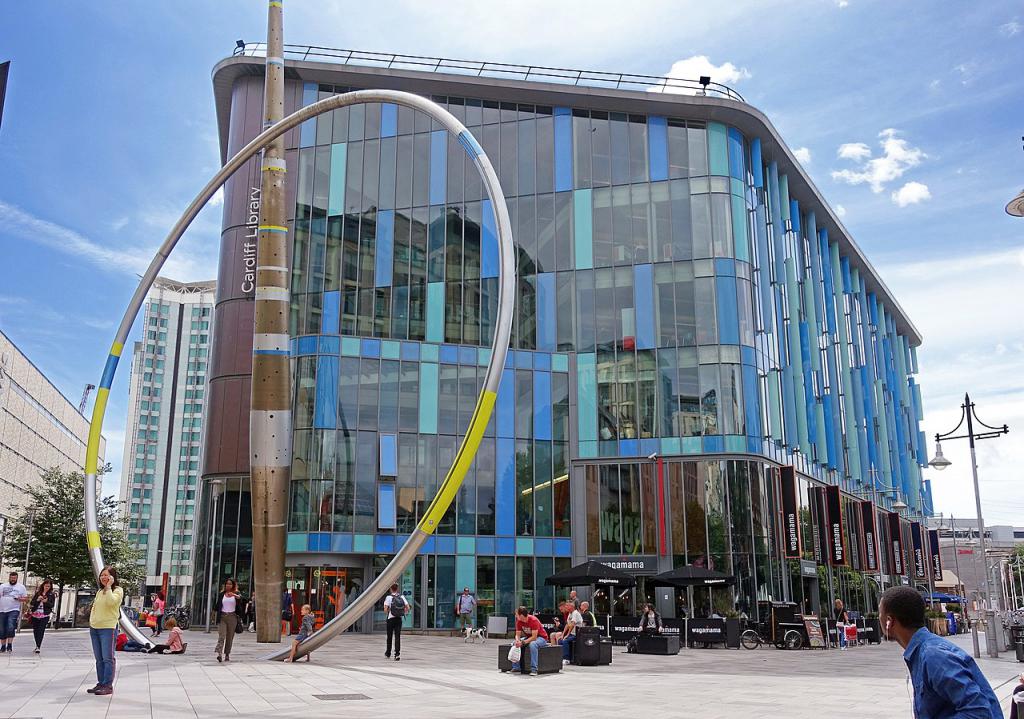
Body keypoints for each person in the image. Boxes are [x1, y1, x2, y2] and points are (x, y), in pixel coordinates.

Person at [878, 586, 1001, 718]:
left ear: (889, 621)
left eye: (880, 614)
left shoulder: (934, 656)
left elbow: (979, 713)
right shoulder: (925, 652)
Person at [87, 566, 123, 696]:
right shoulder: (99, 592)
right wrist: (91, 621)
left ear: (112, 577)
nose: (104, 577)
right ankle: (101, 683)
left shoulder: (117, 590)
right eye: (102, 575)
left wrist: (109, 587)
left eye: (107, 575)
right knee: (99, 658)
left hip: (108, 628)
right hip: (95, 628)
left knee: (108, 658)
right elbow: (95, 607)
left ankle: (108, 685)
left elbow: (111, 603)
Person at [510, 605, 548, 676]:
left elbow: (534, 637)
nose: (515, 616)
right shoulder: (519, 621)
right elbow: (517, 635)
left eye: (516, 614)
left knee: (533, 644)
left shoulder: (533, 620)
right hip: (529, 637)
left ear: (521, 615)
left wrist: (523, 642)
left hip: (541, 638)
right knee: (514, 643)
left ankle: (534, 669)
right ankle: (516, 667)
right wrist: (518, 641)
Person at [212, 578, 244, 663]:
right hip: (222, 617)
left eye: (230, 584)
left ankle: (227, 654)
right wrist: (213, 615)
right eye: (227, 584)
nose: (228, 585)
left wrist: (234, 595)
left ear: (233, 585)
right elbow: (216, 606)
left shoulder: (236, 594)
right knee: (222, 636)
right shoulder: (222, 594)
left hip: (232, 617)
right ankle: (219, 653)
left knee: (230, 637)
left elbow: (241, 599)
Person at [0, 571, 28, 654]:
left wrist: (19, 599)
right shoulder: (3, 586)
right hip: (2, 609)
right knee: (2, 629)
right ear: (9, 578)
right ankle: (3, 646)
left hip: (14, 609)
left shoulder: (21, 587)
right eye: (11, 578)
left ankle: (9, 644)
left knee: (10, 626)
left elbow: (25, 598)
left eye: (14, 578)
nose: (13, 580)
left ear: (17, 578)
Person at [28, 578, 56, 654]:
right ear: (43, 585)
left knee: (41, 630)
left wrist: (46, 602)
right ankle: (37, 644)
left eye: (48, 586)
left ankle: (38, 646)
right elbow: (32, 603)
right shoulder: (38, 593)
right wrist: (37, 600)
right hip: (35, 614)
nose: (47, 588)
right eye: (46, 586)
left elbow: (52, 605)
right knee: (35, 630)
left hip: (45, 615)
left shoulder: (51, 594)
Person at [383, 583, 407, 661]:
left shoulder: (388, 597)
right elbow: (408, 607)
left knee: (389, 637)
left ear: (390, 589)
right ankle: (397, 654)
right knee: (397, 637)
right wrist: (402, 612)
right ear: (397, 589)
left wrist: (390, 611)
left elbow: (385, 610)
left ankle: (388, 652)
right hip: (398, 619)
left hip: (391, 619)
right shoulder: (402, 597)